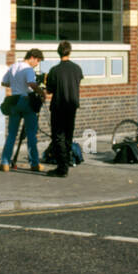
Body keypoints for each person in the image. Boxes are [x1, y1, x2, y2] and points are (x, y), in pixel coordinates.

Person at [0, 49, 43, 173]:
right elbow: (31, 84)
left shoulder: (13, 66)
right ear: (33, 57)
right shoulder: (28, 69)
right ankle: (34, 163)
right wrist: (41, 93)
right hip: (26, 100)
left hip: (14, 101)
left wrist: (15, 86)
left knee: (12, 134)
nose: (37, 64)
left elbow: (4, 82)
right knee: (31, 134)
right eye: (37, 61)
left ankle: (5, 162)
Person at [44, 40, 83, 178]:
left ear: (58, 52)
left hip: (58, 107)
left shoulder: (54, 71)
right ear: (69, 51)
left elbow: (49, 90)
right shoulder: (77, 69)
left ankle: (62, 168)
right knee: (68, 136)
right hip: (72, 106)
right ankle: (66, 164)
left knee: (58, 137)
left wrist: (45, 82)